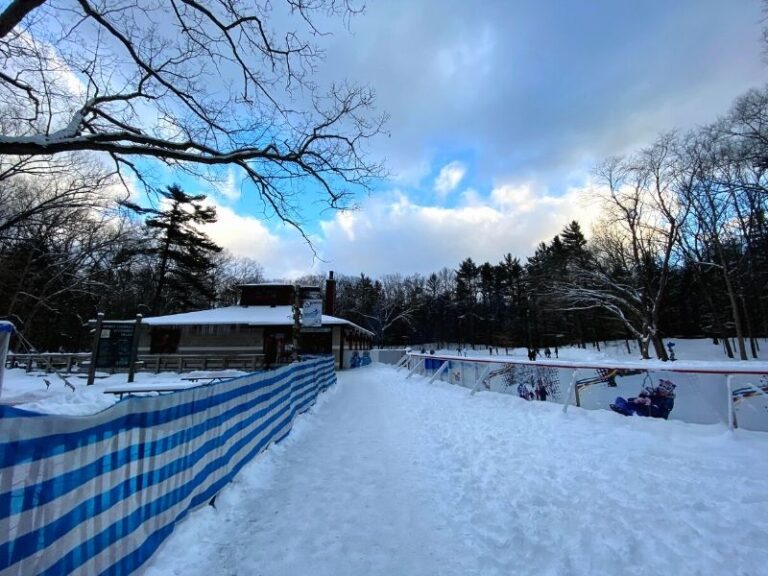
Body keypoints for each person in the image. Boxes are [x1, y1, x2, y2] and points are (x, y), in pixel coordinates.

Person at [610, 379, 676, 419]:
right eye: (660, 389)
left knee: (634, 413)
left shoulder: (668, 401)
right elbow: (633, 399)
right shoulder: (655, 393)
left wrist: (649, 404)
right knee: (620, 399)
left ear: (669, 392)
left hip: (650, 417)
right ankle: (620, 407)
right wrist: (640, 398)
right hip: (641, 408)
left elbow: (659, 414)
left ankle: (624, 411)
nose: (661, 391)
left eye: (664, 390)